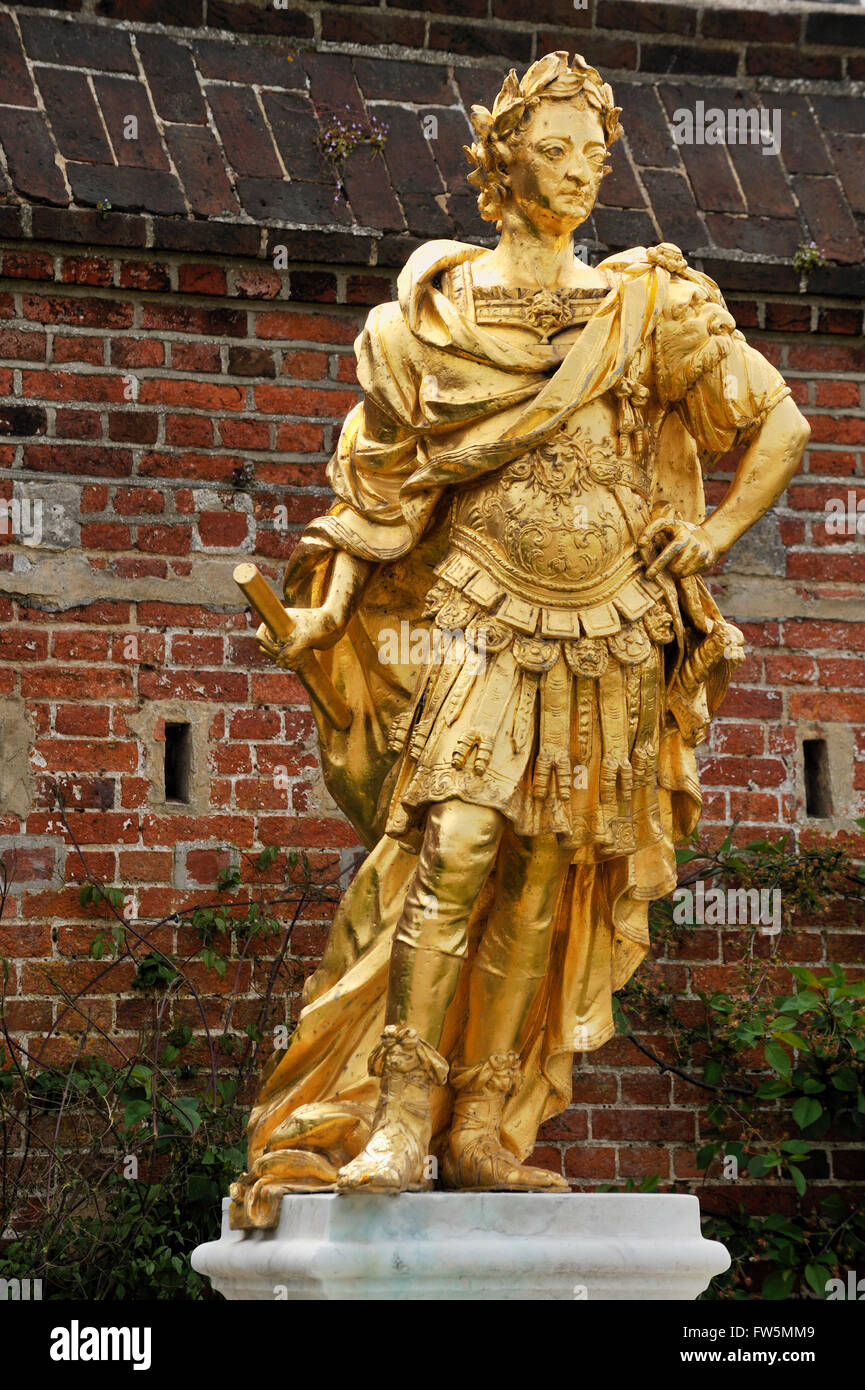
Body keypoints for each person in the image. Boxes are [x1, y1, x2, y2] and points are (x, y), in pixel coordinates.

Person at [229, 51, 809, 1228]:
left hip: (608, 627)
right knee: (455, 847)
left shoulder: (644, 299)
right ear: (503, 163)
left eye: (596, 151)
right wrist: (332, 610)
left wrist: (712, 536)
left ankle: (487, 1124)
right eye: (556, 149)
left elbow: (780, 420)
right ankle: (398, 1115)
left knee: (547, 868)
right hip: (476, 617)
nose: (582, 170)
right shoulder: (435, 315)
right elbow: (381, 490)